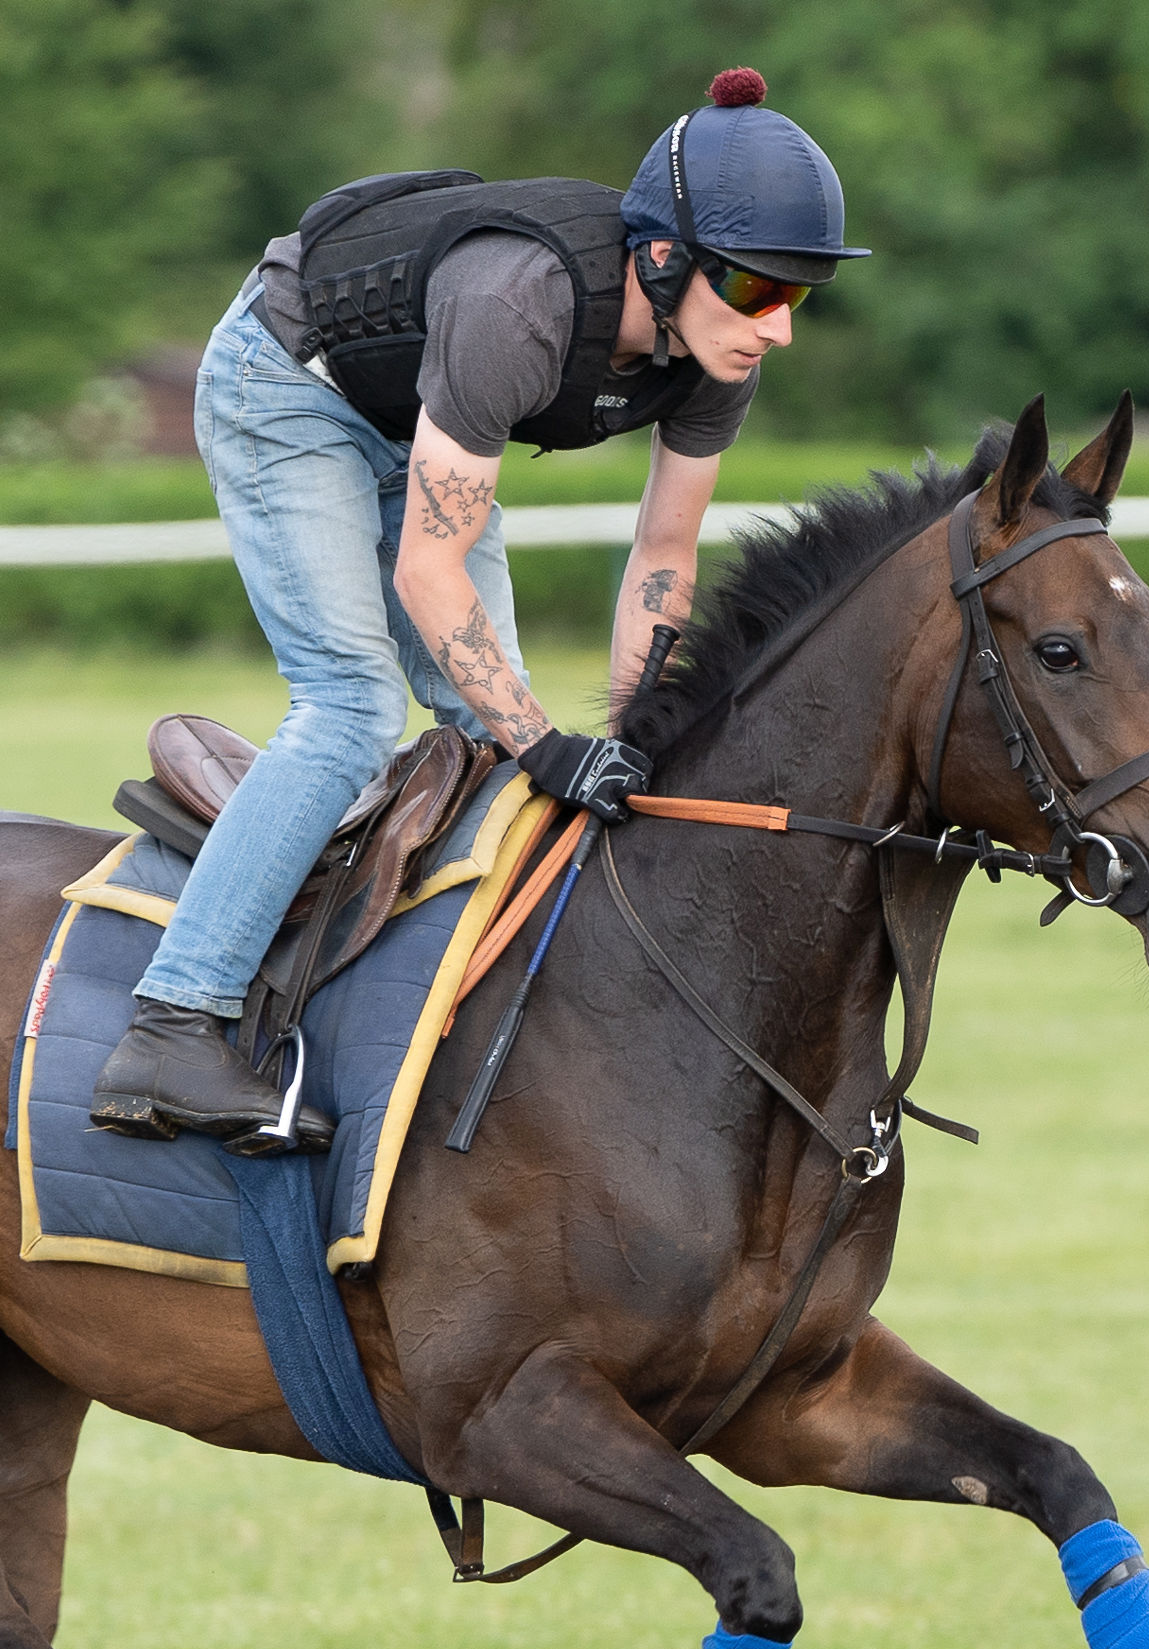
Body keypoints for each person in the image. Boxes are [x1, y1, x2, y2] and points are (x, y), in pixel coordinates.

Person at [89, 65, 867, 1153]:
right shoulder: (523, 306)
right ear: (662, 258)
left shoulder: (716, 356)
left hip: (420, 414)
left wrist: (643, 740)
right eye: (753, 291)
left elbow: (664, 551)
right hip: (287, 383)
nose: (775, 329)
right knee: (355, 705)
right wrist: (544, 742)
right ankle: (174, 1020)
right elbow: (427, 575)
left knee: (486, 733)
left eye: (797, 296)